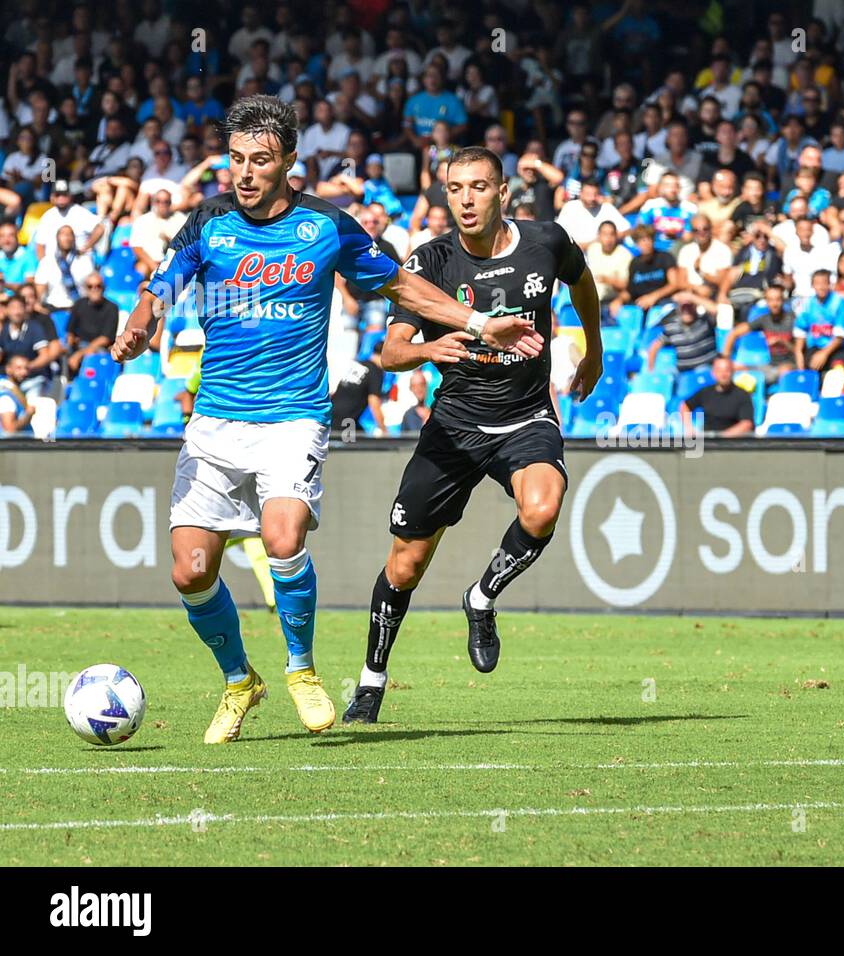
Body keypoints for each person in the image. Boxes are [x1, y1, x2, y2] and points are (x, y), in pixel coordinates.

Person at [110, 97, 541, 744]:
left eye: (260, 160)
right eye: (235, 160)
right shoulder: (206, 223)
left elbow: (402, 286)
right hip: (215, 422)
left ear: (289, 161)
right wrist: (141, 328)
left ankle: (301, 669)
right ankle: (238, 680)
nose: (245, 173)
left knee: (283, 539)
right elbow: (158, 291)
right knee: (190, 570)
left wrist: (479, 322)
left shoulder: (326, 227)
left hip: (292, 418)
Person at [342, 146, 599, 724]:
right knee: (405, 567)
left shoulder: (546, 242)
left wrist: (595, 351)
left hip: (527, 415)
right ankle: (371, 680)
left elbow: (583, 285)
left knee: (543, 506)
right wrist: (430, 348)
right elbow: (391, 352)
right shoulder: (429, 260)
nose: (465, 199)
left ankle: (481, 598)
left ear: (502, 193)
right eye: (455, 188)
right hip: (454, 425)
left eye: (478, 187)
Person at [681, 356, 753, 436]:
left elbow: (746, 424)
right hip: (707, 439)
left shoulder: (742, 395)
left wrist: (722, 438)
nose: (723, 374)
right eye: (719, 370)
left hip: (732, 442)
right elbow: (685, 406)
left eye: (727, 370)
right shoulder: (705, 392)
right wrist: (689, 427)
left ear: (733, 371)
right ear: (713, 373)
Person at [330, 340, 386, 434]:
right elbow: (374, 402)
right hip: (346, 421)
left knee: (361, 437)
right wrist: (384, 430)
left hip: (332, 414)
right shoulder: (376, 371)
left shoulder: (359, 364)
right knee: (352, 447)